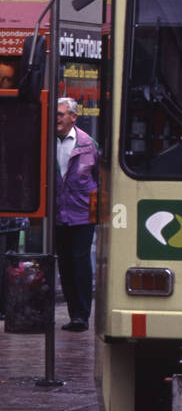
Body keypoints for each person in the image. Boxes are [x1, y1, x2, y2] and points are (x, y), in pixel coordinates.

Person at [55, 97, 98, 332]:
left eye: (62, 114)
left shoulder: (88, 144)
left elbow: (99, 180)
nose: (58, 118)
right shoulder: (47, 140)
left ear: (73, 117)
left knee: (80, 262)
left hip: (82, 215)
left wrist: (95, 213)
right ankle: (74, 315)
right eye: (56, 114)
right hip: (58, 215)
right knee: (65, 264)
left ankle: (82, 315)